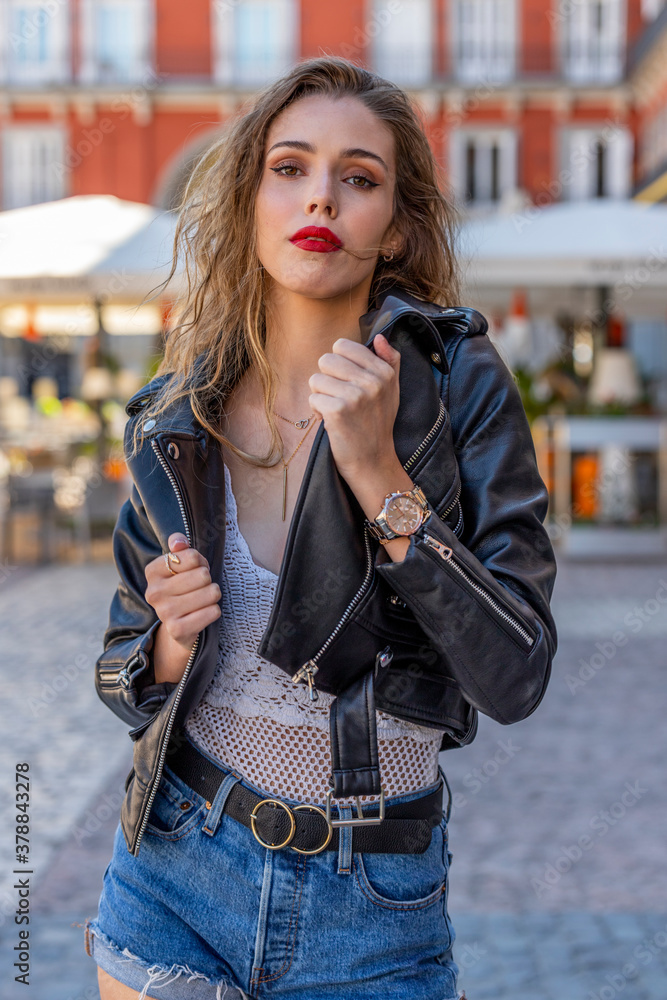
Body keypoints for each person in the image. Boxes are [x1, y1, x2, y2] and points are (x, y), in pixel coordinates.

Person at [84, 56, 557, 1000]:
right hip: (176, 871)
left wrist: (379, 474)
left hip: (374, 906)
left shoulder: (456, 383)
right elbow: (124, 674)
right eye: (289, 167)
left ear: (397, 224)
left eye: (360, 178)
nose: (322, 198)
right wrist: (173, 640)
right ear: (249, 199)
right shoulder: (179, 416)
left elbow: (516, 674)